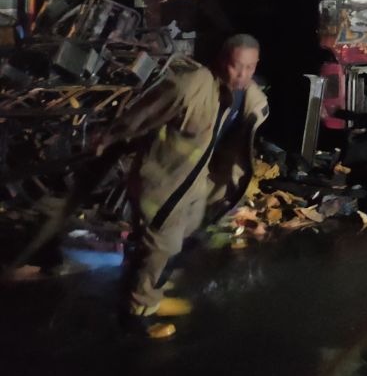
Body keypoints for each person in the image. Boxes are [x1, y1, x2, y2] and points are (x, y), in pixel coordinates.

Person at [101, 33, 269, 339]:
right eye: (235, 67)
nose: (242, 75)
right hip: (164, 179)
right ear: (222, 62)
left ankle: (143, 285)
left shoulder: (252, 98)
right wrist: (110, 138)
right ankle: (138, 313)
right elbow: (143, 114)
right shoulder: (190, 86)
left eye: (249, 68)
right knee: (163, 244)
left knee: (184, 234)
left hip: (197, 182)